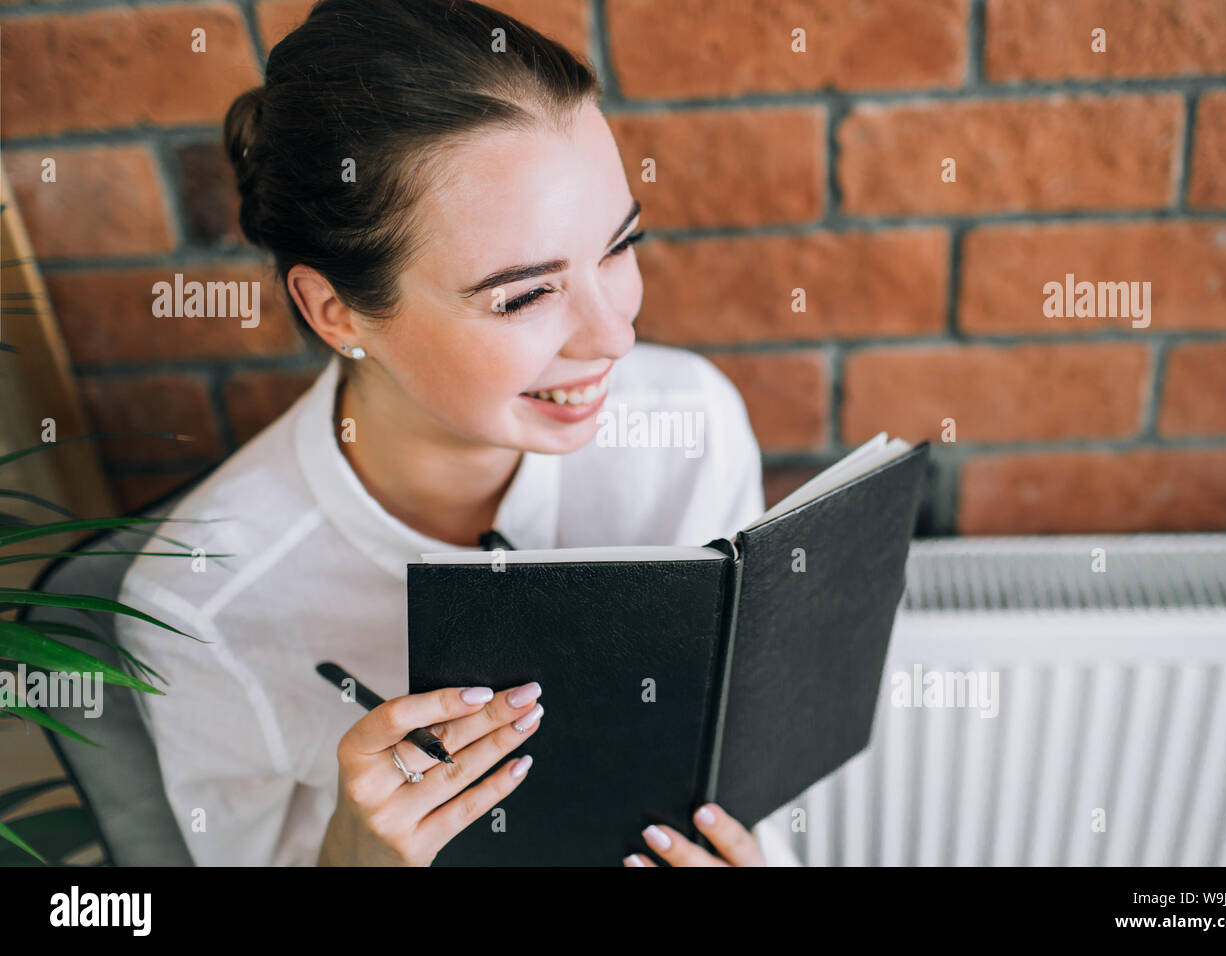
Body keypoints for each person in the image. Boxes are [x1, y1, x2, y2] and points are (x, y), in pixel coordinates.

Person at [115, 0, 801, 867]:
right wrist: (353, 859)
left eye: (618, 247)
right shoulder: (201, 610)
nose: (614, 335)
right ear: (335, 311)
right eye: (523, 295)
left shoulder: (688, 425)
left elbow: (743, 780)